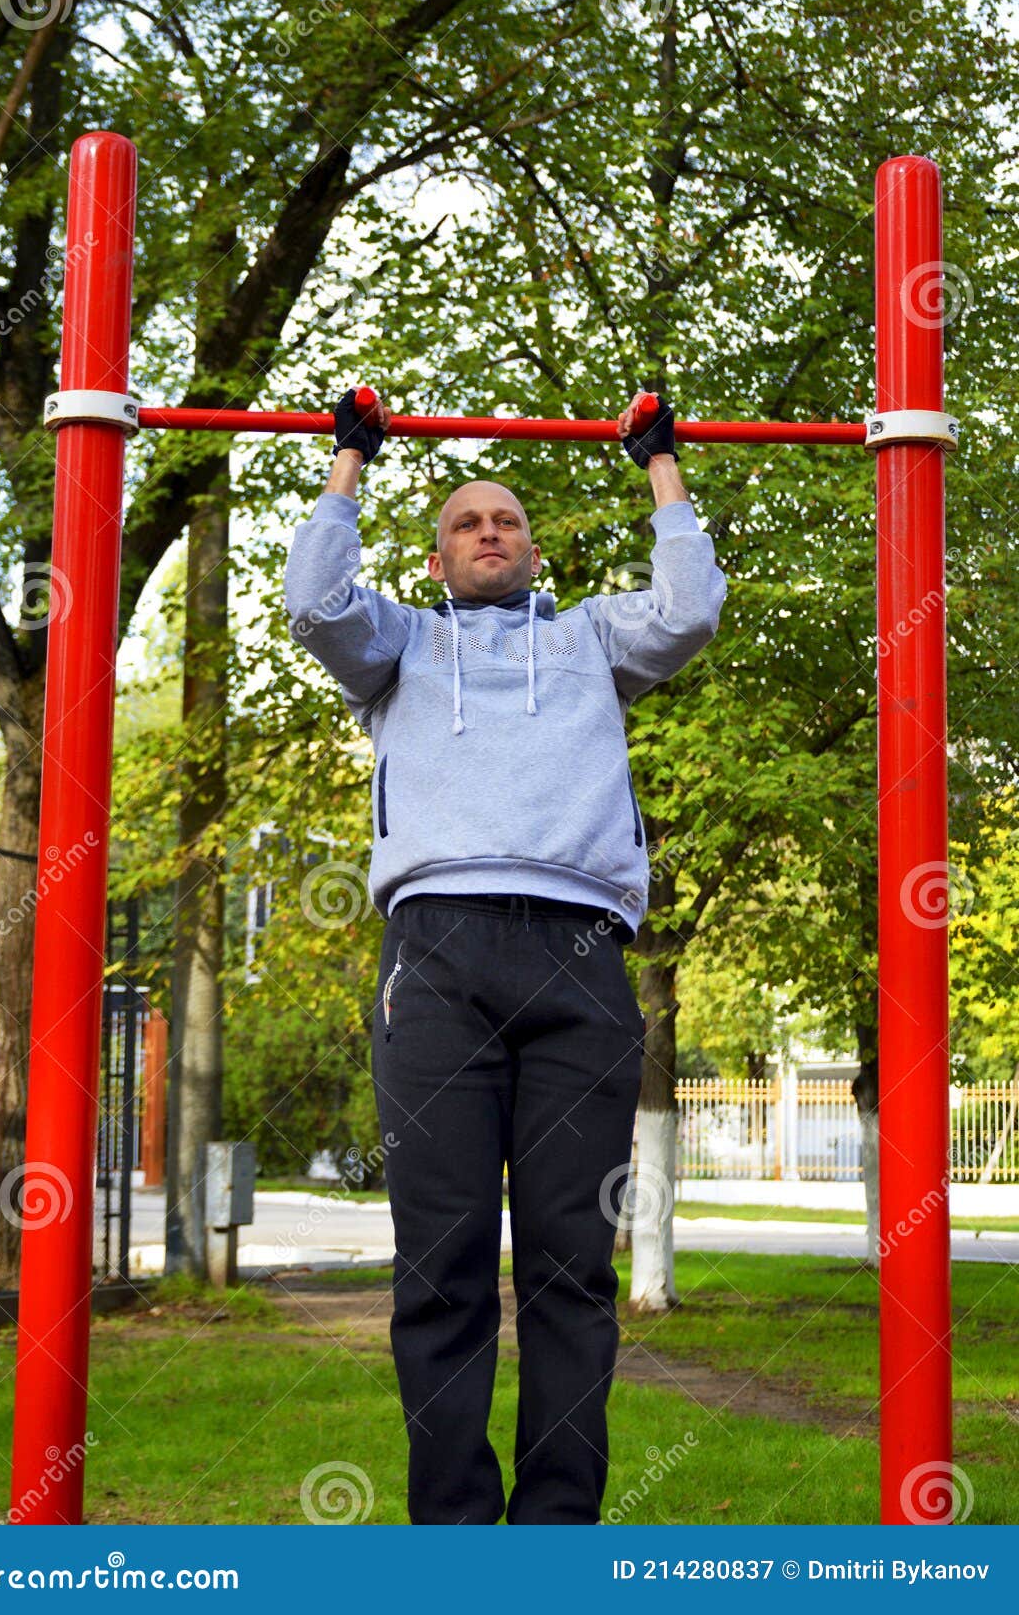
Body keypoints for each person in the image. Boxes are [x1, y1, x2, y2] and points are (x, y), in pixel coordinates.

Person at [283, 388, 727, 1525]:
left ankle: (555, 1535)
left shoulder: (588, 637)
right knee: (442, 1263)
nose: (490, 530)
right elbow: (312, 600)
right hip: (434, 957)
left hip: (577, 957)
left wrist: (658, 463)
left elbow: (689, 607)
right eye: (466, 521)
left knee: (571, 1264)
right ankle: (454, 1536)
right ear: (435, 558)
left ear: (531, 549)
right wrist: (348, 460)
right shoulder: (398, 644)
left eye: (509, 519)